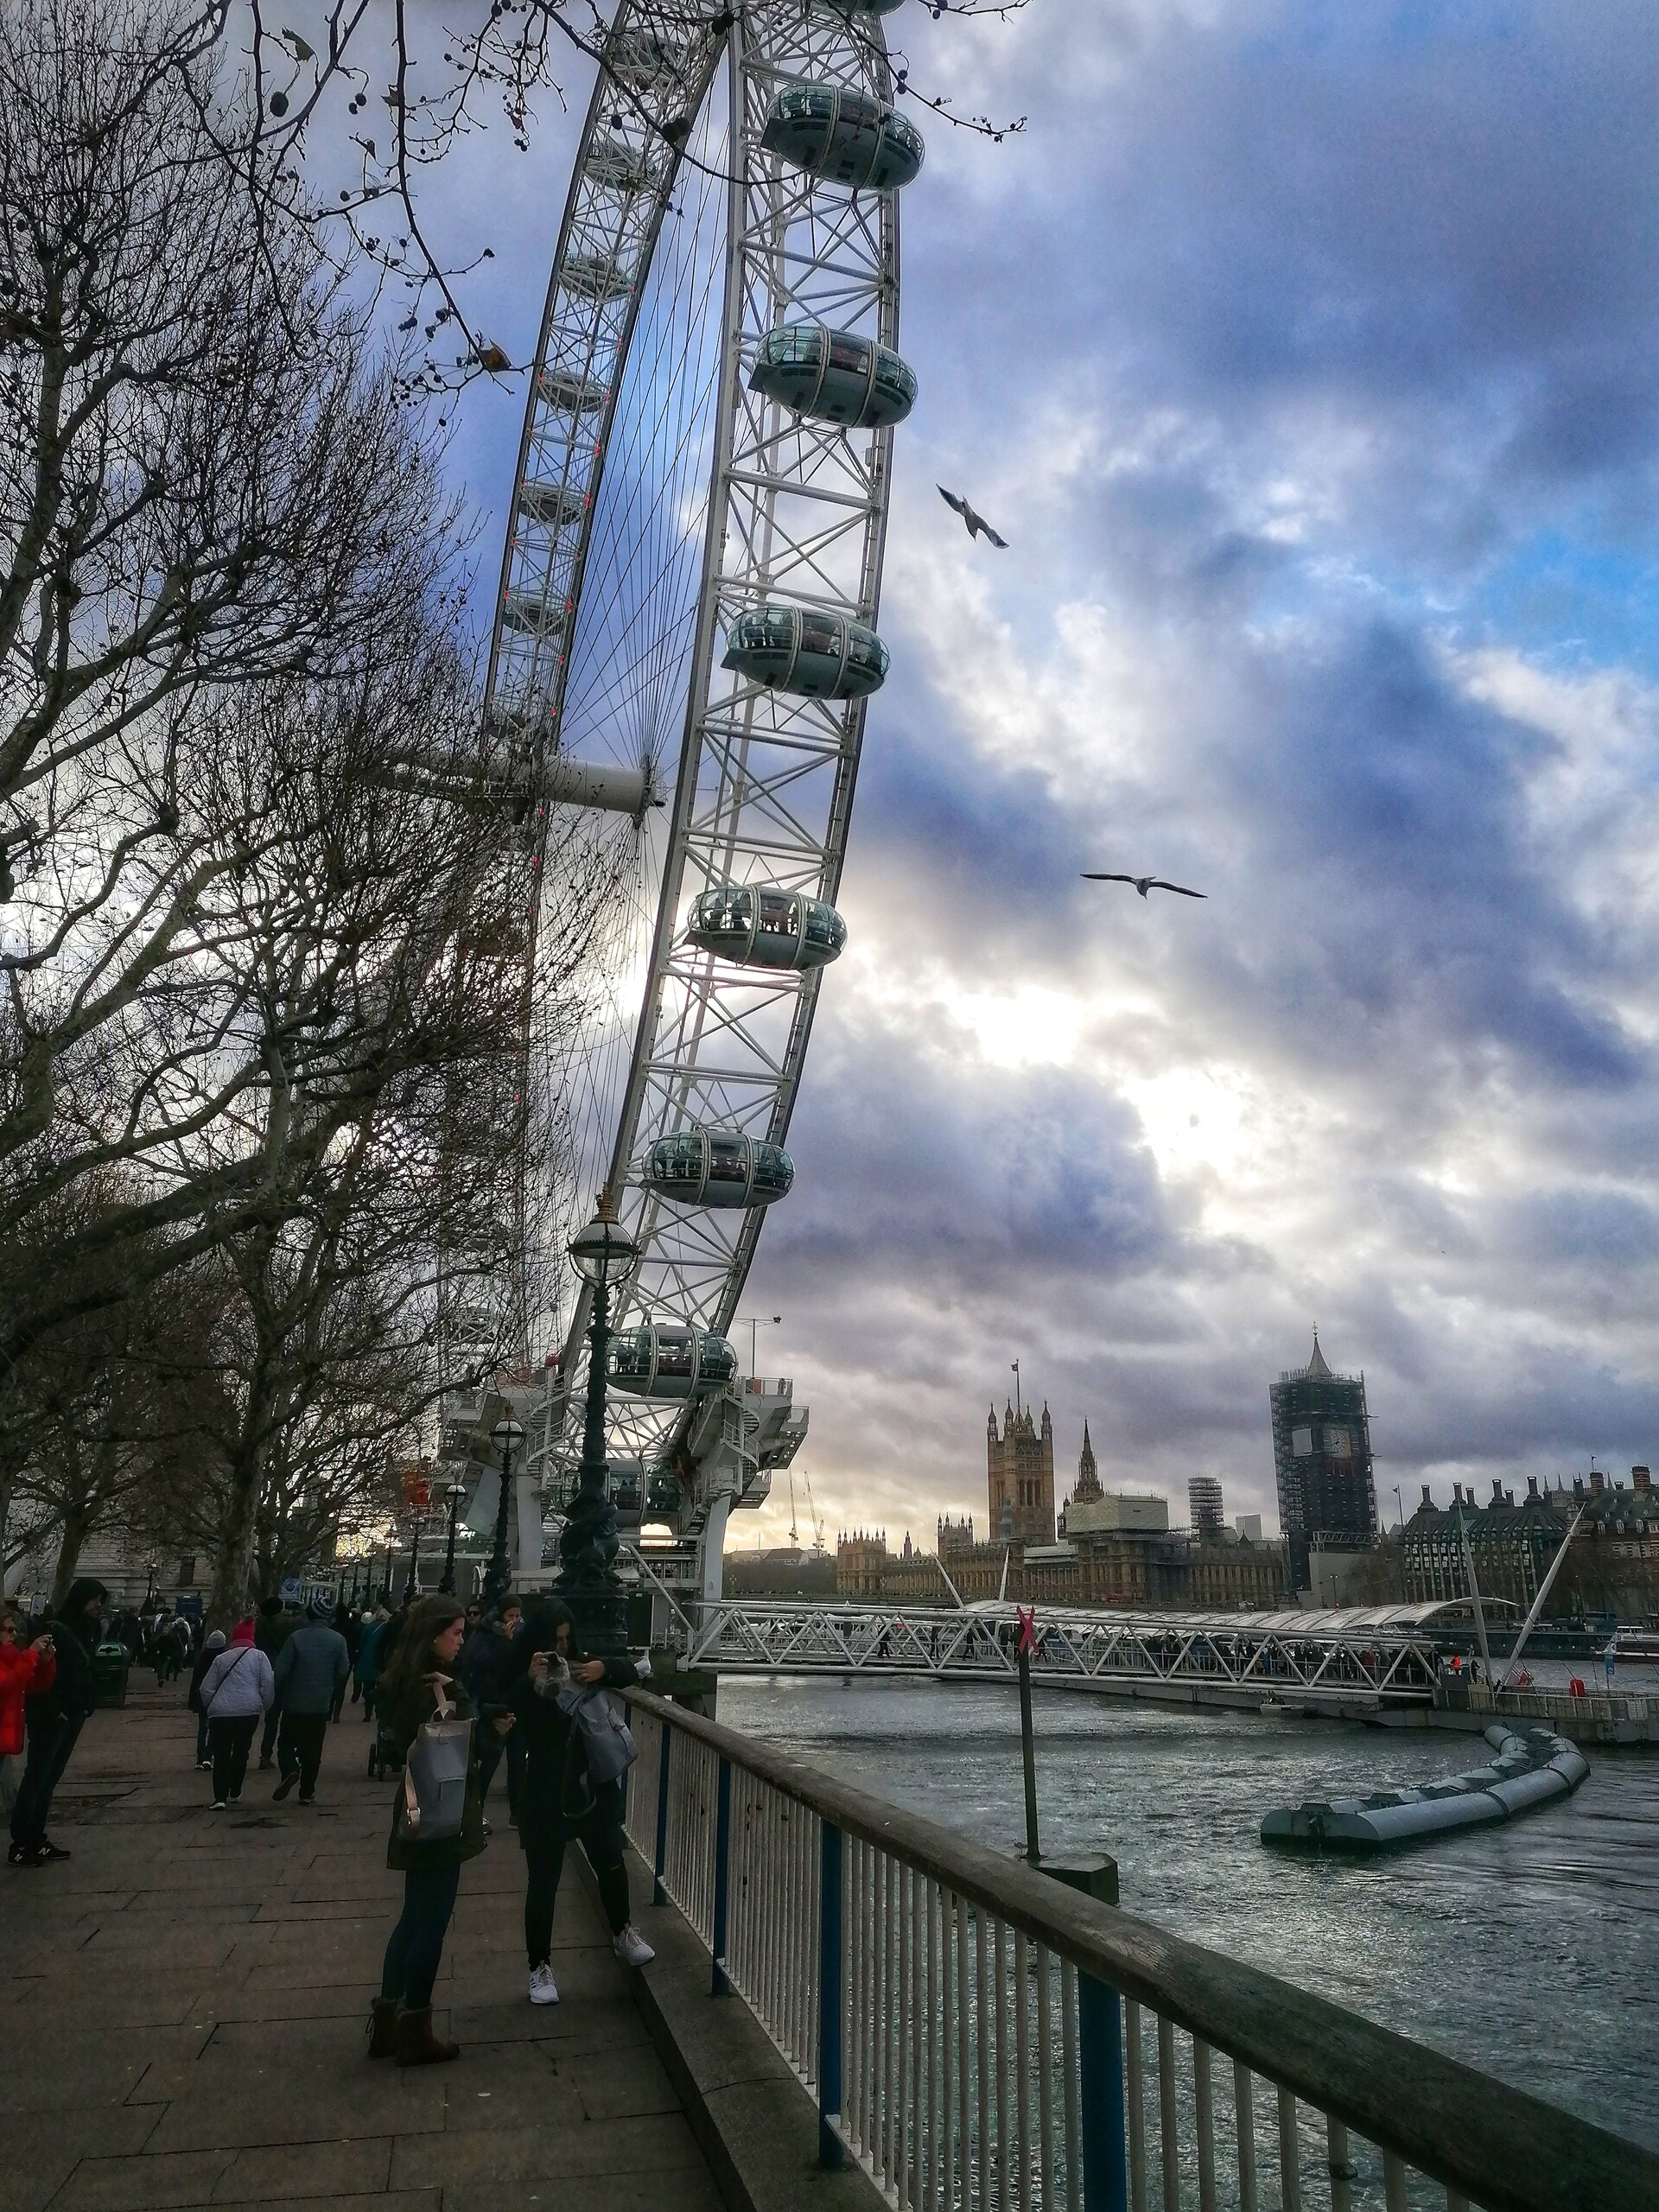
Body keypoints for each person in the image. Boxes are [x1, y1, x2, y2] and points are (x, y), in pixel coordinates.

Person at [369, 1595, 499, 2066]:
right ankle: (415, 2027)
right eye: (457, 1633)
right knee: (432, 1922)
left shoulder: (405, 1676)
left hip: (414, 1807)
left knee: (411, 1917)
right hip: (441, 1814)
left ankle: (386, 2020)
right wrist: (467, 1703)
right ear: (434, 1635)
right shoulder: (436, 1686)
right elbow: (464, 1744)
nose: (462, 1641)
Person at [507, 1599, 654, 2007]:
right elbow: (504, 1705)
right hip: (545, 1789)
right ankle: (539, 1967)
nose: (563, 1650)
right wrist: (531, 1683)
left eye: (568, 1641)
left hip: (590, 1785)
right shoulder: (523, 1669)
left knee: (610, 1859)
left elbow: (634, 1670)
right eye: (555, 1641)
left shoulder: (582, 1663)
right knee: (543, 1882)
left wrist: (604, 1668)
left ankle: (623, 1930)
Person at [8, 1577, 106, 1867]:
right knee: (36, 1779)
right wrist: (55, 1710)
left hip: (74, 1714)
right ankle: (20, 1842)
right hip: (52, 1717)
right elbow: (36, 1677)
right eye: (94, 1600)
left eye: (100, 1601)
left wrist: (87, 1703)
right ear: (80, 1598)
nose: (97, 1606)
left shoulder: (89, 1629)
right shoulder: (54, 1629)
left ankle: (36, 1838)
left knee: (49, 1780)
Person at [270, 1602, 350, 1803]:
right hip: (320, 1703)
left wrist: (278, 1691)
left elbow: (281, 1670)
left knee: (286, 1741)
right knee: (313, 1748)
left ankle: (290, 1769)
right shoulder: (338, 1640)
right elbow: (343, 1670)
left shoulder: (296, 1638)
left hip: (294, 1701)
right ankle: (307, 1791)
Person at [461, 1599, 524, 1828]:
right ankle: (476, 1809)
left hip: (515, 1703)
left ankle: (516, 1813)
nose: (515, 1621)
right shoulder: (486, 1635)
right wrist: (505, 1643)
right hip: (492, 1703)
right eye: (511, 1616)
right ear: (501, 1616)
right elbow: (480, 1662)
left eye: (518, 1616)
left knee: (518, 1759)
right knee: (490, 1759)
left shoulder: (521, 1635)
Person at [200, 1621, 276, 1808]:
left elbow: (206, 1688)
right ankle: (235, 1790)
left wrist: (211, 1707)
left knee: (221, 1754)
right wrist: (265, 1705)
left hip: (221, 1714)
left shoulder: (221, 1659)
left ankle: (219, 1798)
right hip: (248, 1711)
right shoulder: (260, 1657)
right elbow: (267, 1684)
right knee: (242, 1751)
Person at [0, 1608, 56, 1824]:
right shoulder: (16, 1658)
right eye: (9, 1630)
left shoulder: (14, 1657)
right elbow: (7, 1684)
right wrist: (31, 1654)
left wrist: (45, 1663)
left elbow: (32, 1685)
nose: (14, 1635)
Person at [254, 1596, 299, 1768]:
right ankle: (289, 1753)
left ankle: (265, 1755)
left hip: (265, 1672)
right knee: (289, 1717)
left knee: (271, 1720)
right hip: (285, 1673)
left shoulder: (260, 1626)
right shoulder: (287, 1625)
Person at [188, 1630, 226, 1768]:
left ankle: (200, 1757)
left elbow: (195, 1681)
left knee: (202, 1729)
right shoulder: (222, 1660)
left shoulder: (202, 1659)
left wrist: (192, 1700)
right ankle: (208, 1756)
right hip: (217, 1698)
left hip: (201, 1698)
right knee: (214, 1729)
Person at [330, 1605, 359, 1721]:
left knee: (332, 1686)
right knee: (341, 1688)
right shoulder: (351, 1627)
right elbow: (356, 1643)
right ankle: (336, 1714)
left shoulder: (333, 1627)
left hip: (332, 1659)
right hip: (348, 1658)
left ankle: (329, 1711)